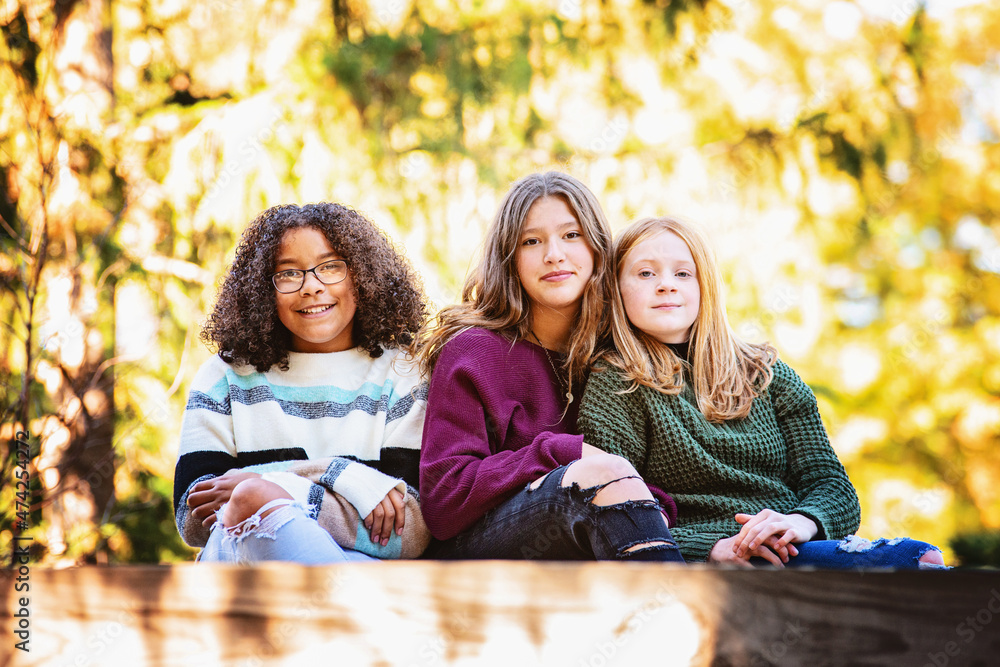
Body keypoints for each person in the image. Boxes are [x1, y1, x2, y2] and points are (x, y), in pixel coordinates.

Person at [578, 216, 947, 568]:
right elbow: (613, 507)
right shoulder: (616, 381)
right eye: (645, 273)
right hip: (703, 556)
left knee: (922, 558)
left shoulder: (766, 374)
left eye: (683, 273)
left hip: (794, 546)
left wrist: (800, 522)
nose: (666, 284)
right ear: (616, 288)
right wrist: (709, 548)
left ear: (704, 285)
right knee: (915, 562)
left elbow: (831, 484)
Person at [416, 172, 683, 562]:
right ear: (510, 258)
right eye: (531, 241)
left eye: (571, 235)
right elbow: (445, 499)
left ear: (596, 246)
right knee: (597, 475)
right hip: (483, 548)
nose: (554, 254)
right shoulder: (474, 352)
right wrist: (565, 451)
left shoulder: (622, 354)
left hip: (597, 544)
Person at [173, 202, 430, 564]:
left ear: (362, 276)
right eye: (289, 273)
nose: (311, 287)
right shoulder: (223, 378)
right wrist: (339, 477)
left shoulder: (403, 376)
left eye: (331, 267)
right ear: (264, 290)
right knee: (252, 513)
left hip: (354, 575)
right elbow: (195, 518)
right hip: (243, 567)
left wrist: (274, 490)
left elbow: (409, 534)